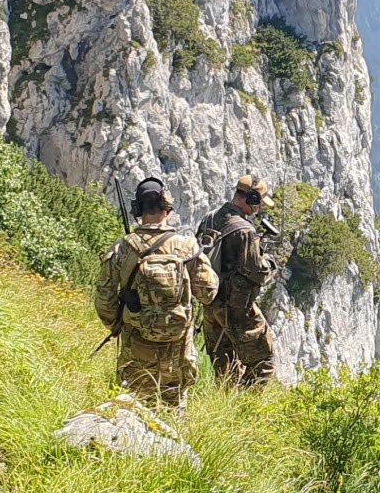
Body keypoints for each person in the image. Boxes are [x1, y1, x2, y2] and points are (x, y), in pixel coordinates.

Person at [93, 177, 218, 406]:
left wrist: (120, 324)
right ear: (167, 207)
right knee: (174, 414)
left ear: (137, 209)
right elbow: (208, 293)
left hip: (136, 350)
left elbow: (104, 301)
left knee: (134, 411)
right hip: (178, 355)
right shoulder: (187, 247)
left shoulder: (122, 248)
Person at [198, 174, 278, 386]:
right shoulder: (244, 230)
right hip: (236, 309)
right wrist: (269, 261)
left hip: (210, 306)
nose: (260, 207)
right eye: (259, 201)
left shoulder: (209, 219)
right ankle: (245, 407)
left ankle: (225, 407)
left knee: (225, 366)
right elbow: (256, 272)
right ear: (251, 198)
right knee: (264, 360)